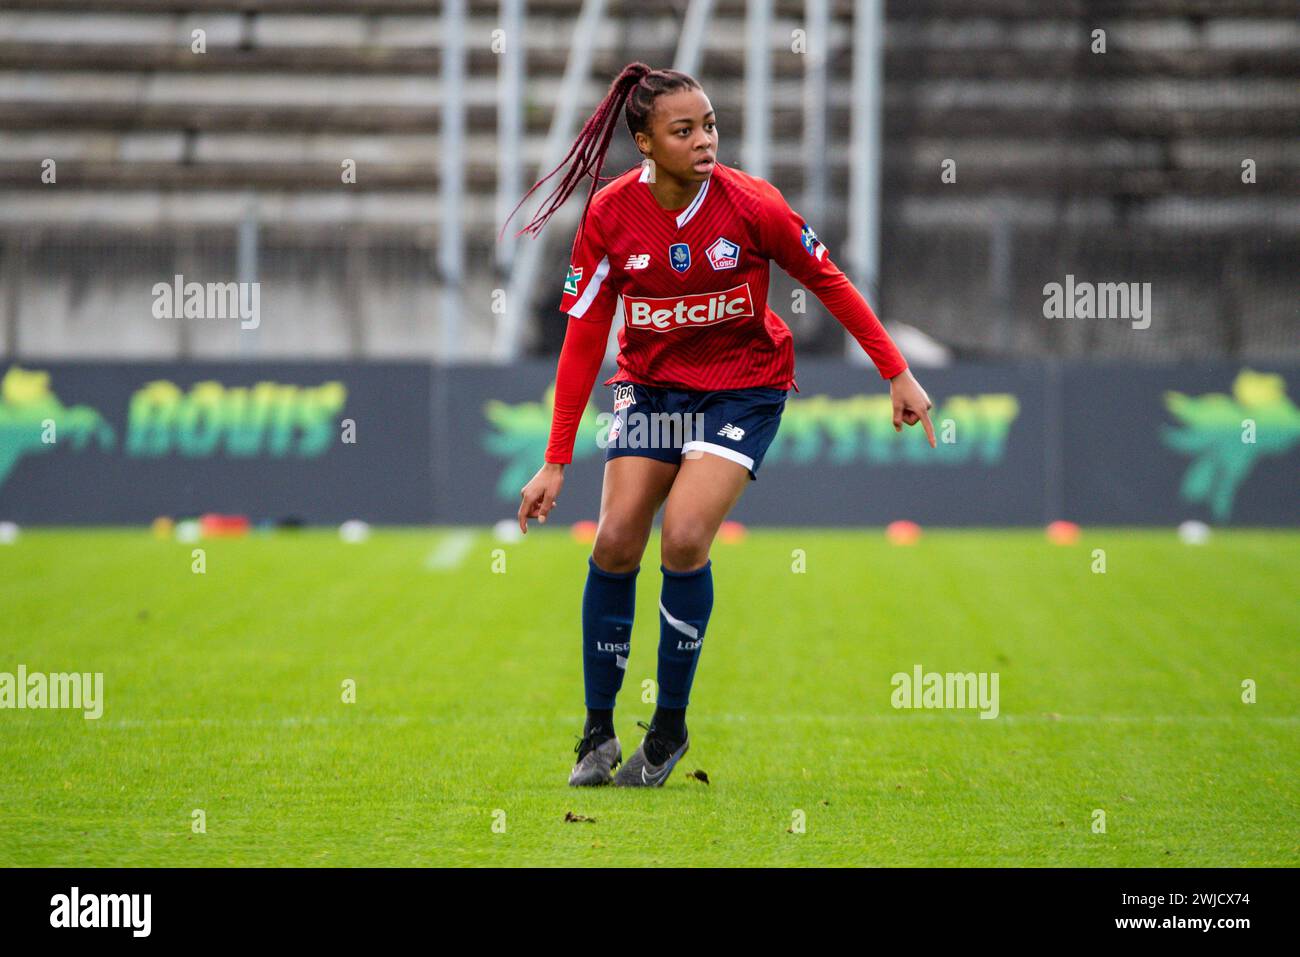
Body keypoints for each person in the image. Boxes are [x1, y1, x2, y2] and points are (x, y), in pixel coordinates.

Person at [502, 62, 935, 787]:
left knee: (684, 536)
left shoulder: (751, 204)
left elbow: (826, 277)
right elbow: (583, 337)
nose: (704, 141)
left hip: (742, 389)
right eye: (685, 130)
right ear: (644, 141)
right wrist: (555, 460)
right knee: (612, 541)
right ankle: (598, 730)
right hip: (649, 388)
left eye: (710, 126)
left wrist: (896, 370)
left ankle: (668, 727)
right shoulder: (609, 215)